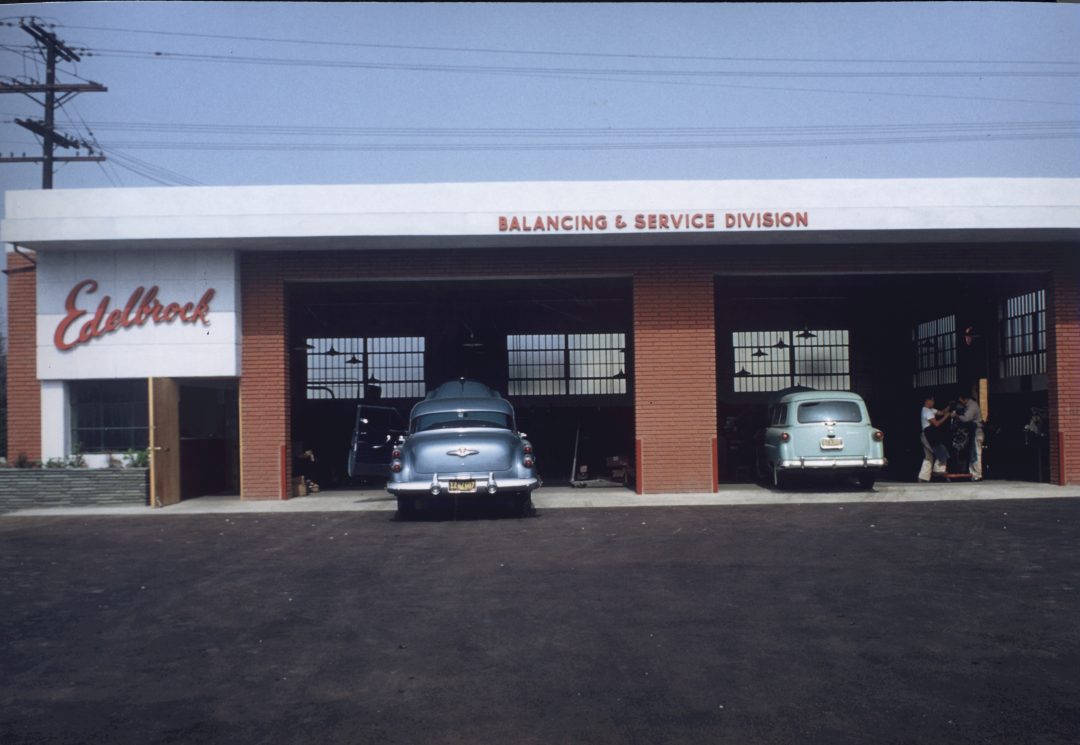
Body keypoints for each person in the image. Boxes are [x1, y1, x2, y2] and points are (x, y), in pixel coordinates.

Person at [919, 396, 952, 482]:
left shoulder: (930, 410)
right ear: (927, 401)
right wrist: (946, 417)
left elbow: (941, 413)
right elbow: (936, 424)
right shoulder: (926, 411)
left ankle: (923, 477)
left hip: (927, 434)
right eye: (932, 401)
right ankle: (938, 470)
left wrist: (949, 406)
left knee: (928, 457)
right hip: (928, 434)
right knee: (941, 450)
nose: (933, 403)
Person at [956, 391, 984, 480]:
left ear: (965, 399)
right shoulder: (969, 405)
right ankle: (974, 474)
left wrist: (956, 416)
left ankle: (977, 475)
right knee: (973, 453)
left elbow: (966, 418)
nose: (960, 403)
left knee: (976, 453)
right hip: (974, 432)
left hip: (976, 432)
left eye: (960, 400)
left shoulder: (972, 406)